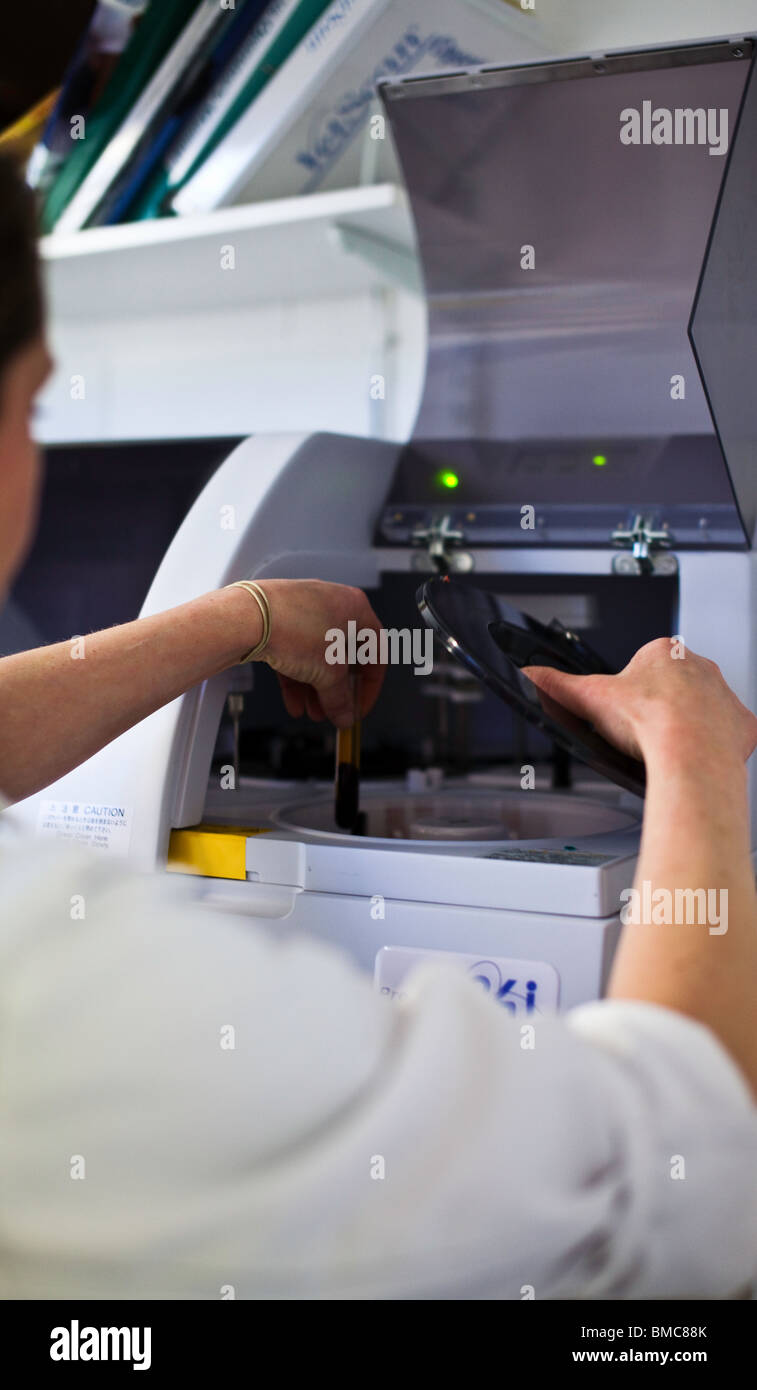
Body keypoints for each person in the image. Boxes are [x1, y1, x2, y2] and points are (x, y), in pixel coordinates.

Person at [0, 151, 756, 1301]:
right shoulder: (60, 986)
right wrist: (696, 747)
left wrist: (236, 616)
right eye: (36, 400)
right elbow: (661, 1189)